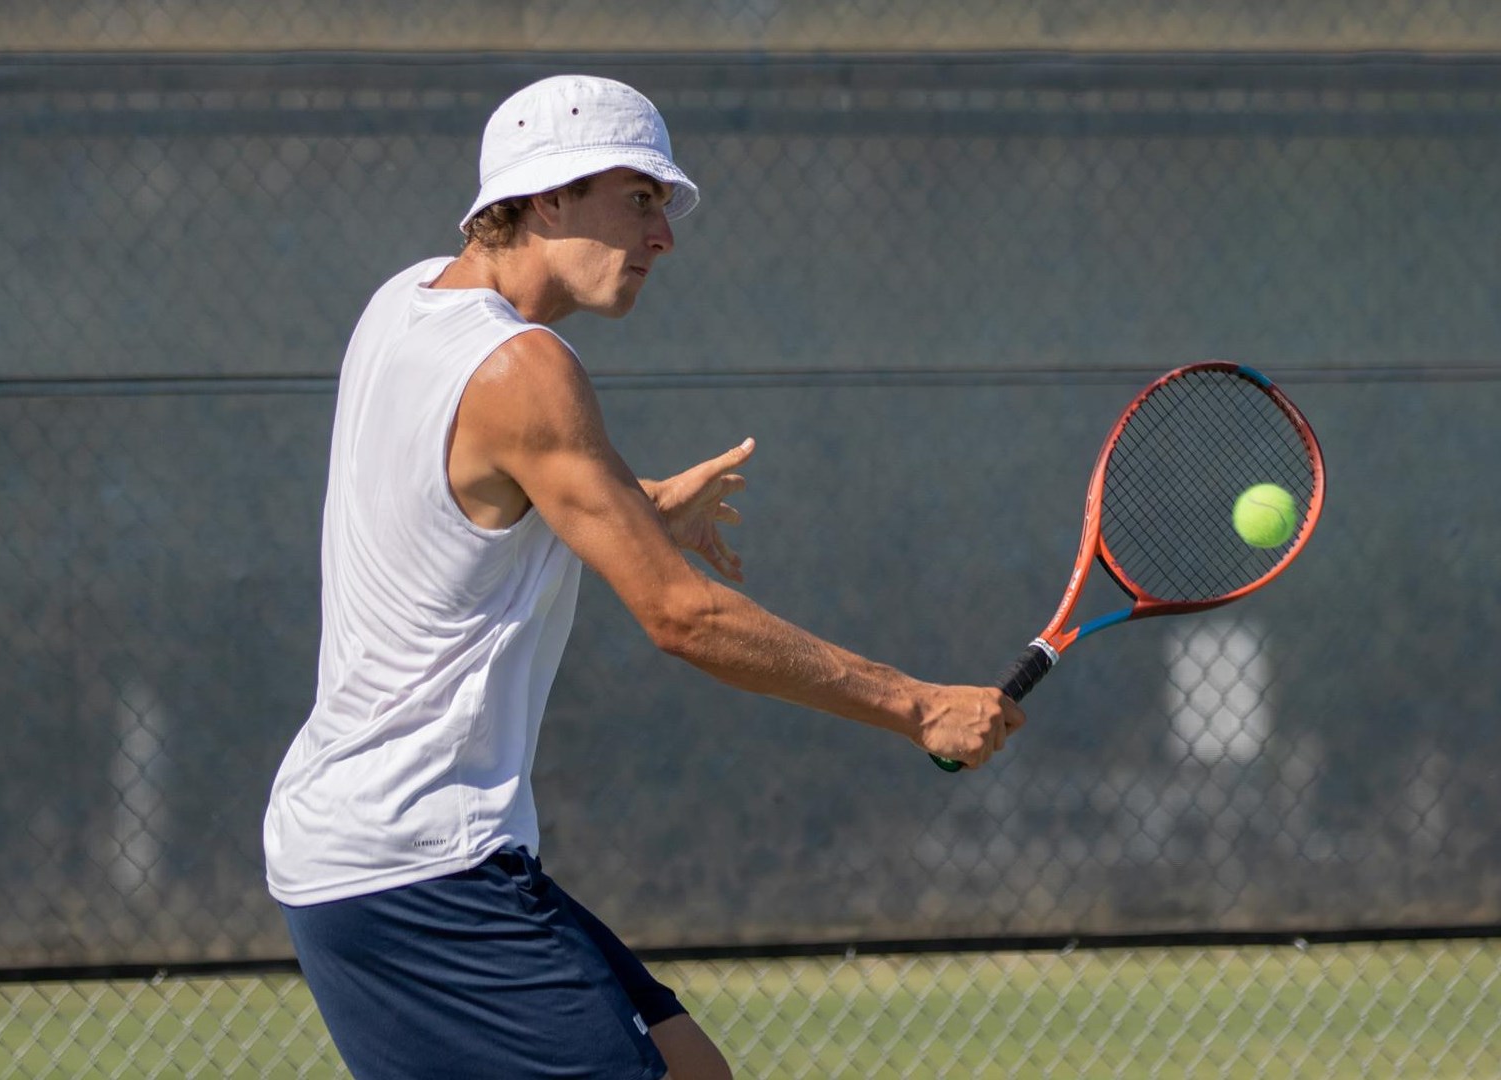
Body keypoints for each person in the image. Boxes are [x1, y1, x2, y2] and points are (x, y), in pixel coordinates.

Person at [263, 74, 1024, 1080]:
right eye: (640, 199)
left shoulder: (403, 305)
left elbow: (463, 511)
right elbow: (682, 616)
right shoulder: (524, 371)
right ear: (546, 200)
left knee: (691, 1067)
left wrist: (647, 512)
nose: (663, 236)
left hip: (373, 845)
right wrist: (919, 706)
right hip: (418, 866)